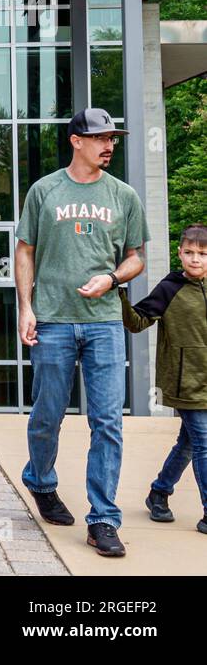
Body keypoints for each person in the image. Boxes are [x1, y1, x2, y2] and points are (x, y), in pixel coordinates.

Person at [15, 108, 150, 558]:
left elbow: (136, 256)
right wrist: (26, 307)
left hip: (105, 322)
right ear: (76, 141)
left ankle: (103, 519)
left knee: (108, 421)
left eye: (112, 139)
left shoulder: (124, 195)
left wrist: (112, 278)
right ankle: (40, 481)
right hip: (53, 319)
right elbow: (25, 250)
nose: (109, 146)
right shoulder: (45, 190)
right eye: (100, 138)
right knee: (47, 415)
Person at [120, 224, 207, 534]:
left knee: (189, 443)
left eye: (202, 254)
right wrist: (117, 294)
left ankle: (159, 492)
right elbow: (137, 321)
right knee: (204, 444)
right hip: (185, 382)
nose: (195, 259)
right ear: (179, 253)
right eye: (189, 252)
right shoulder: (170, 288)